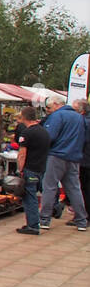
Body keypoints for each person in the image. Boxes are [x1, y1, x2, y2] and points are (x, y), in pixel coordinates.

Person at [37, 96, 88, 231]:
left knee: (49, 187)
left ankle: (44, 220)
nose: (48, 111)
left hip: (56, 156)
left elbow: (49, 136)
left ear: (55, 104)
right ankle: (82, 221)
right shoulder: (79, 118)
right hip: (74, 157)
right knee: (74, 189)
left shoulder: (57, 116)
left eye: (48, 108)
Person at [13, 106, 49, 235]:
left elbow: (22, 154)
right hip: (41, 168)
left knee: (30, 197)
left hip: (30, 169)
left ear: (23, 117)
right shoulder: (44, 131)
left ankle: (33, 225)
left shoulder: (27, 133)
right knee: (42, 193)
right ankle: (52, 211)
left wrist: (20, 170)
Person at [75, 98, 90, 211]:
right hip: (84, 158)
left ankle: (85, 214)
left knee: (84, 187)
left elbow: (82, 140)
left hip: (85, 159)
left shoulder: (85, 122)